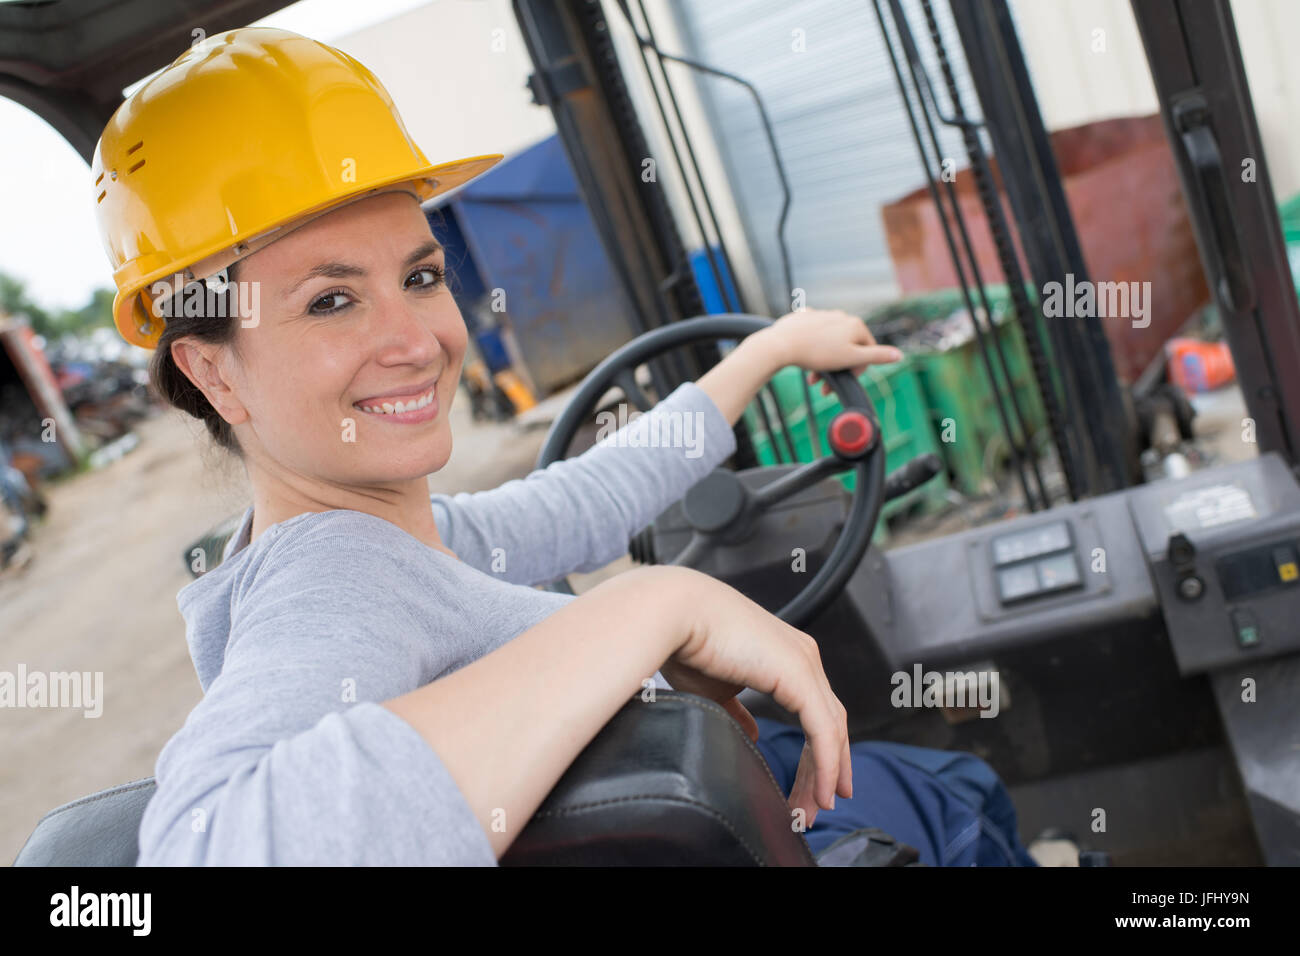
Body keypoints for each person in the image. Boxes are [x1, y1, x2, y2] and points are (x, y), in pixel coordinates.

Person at [95, 26, 1037, 866]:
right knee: (960, 795)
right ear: (215, 375)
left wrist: (767, 352)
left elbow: (592, 497)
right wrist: (649, 609)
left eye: (421, 276)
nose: (419, 341)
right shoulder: (335, 579)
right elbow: (208, 847)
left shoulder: (403, 540)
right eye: (331, 300)